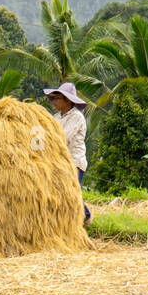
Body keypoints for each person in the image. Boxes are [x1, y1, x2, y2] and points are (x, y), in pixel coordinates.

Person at [44, 82, 91, 224]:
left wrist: (48, 139)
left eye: (57, 98)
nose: (54, 101)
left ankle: (86, 216)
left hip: (74, 162)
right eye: (53, 98)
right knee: (58, 193)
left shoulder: (77, 117)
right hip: (60, 162)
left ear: (68, 100)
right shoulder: (56, 117)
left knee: (70, 194)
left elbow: (63, 137)